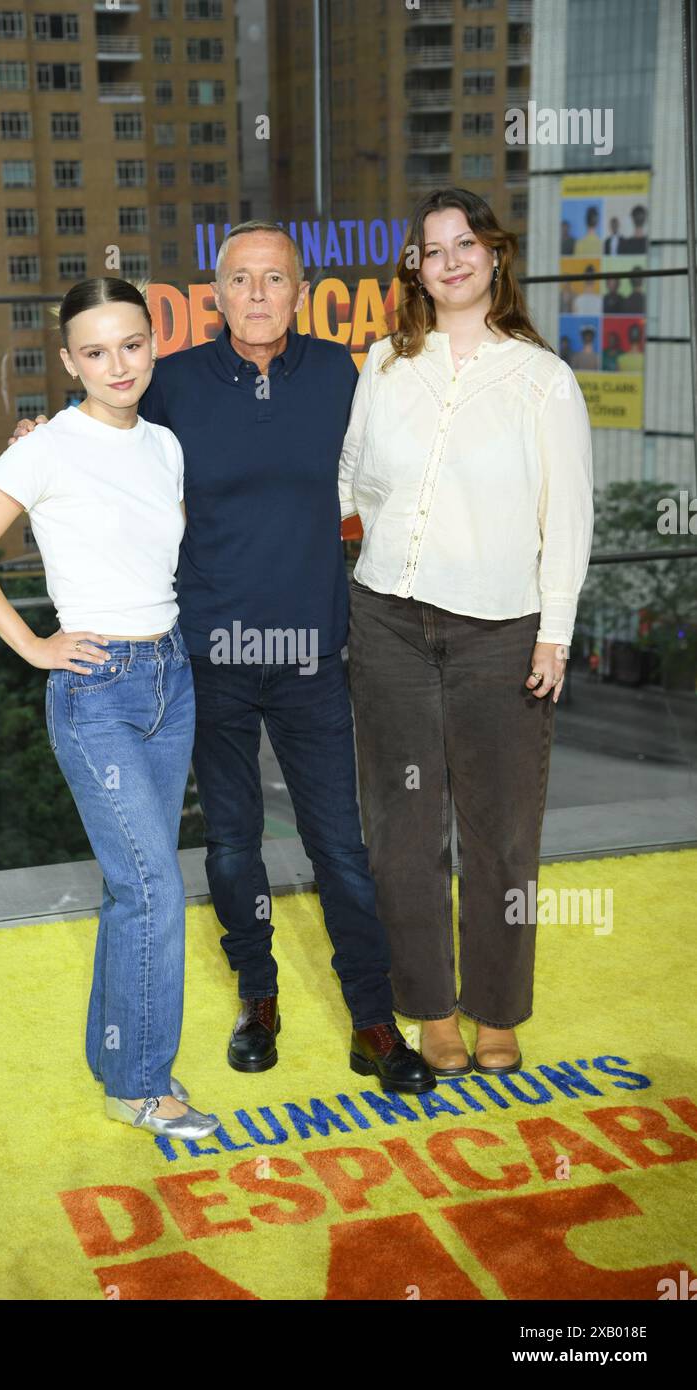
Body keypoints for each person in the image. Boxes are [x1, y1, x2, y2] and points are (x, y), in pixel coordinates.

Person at [11, 223, 436, 1096]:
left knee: (342, 850)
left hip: (313, 654)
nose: (255, 293)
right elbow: (100, 429)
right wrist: (32, 436)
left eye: (272, 278)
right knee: (235, 850)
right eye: (239, 279)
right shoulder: (169, 386)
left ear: (299, 289)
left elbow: (383, 471)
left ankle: (371, 1019)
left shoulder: (338, 376)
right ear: (216, 294)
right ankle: (259, 996)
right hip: (207, 658)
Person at [0, 277, 221, 1140]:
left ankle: (114, 1056)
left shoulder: (166, 447)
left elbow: (152, 557)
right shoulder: (44, 448)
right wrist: (33, 647)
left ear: (152, 344)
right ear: (69, 363)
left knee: (128, 891)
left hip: (170, 678)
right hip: (96, 688)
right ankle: (142, 1084)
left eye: (131, 345)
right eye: (94, 352)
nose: (117, 364)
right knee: (156, 891)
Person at [339, 187, 594, 1077]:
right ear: (413, 266)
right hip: (386, 623)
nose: (449, 261)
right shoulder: (383, 365)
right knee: (403, 829)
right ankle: (430, 1009)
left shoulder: (541, 378)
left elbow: (568, 518)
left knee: (503, 833)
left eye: (465, 244)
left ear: (493, 257)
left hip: (501, 631)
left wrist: (552, 635)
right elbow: (350, 481)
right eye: (431, 249)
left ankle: (495, 1011)